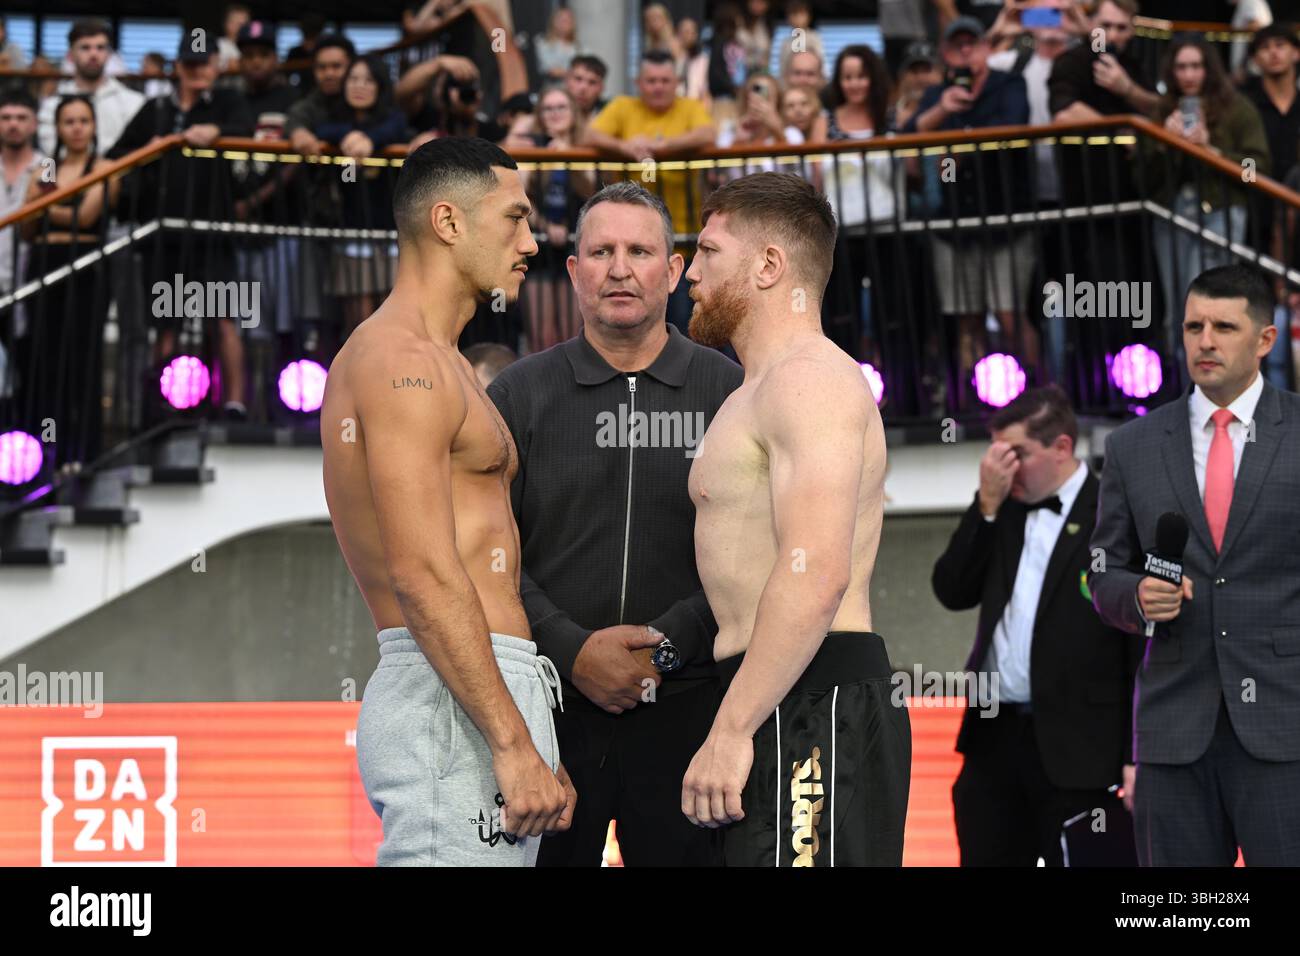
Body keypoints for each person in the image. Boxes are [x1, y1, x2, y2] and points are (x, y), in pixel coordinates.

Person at [321, 136, 574, 866]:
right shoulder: (399, 361)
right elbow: (425, 573)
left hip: (475, 693)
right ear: (448, 222)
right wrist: (511, 740)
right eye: (515, 219)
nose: (533, 241)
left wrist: (528, 730)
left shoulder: (447, 364)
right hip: (449, 699)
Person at [488, 182, 742, 866]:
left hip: (690, 716)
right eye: (600, 251)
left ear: (675, 269)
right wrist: (572, 649)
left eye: (639, 250)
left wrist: (668, 644)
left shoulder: (731, 394)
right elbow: (486, 555)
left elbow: (760, 555)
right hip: (549, 717)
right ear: (573, 271)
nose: (620, 268)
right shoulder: (517, 394)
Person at [680, 173, 911, 866]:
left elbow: (816, 573)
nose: (687, 272)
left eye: (707, 252)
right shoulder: (756, 389)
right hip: (777, 694)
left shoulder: (807, 380)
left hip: (812, 700)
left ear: (769, 265)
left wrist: (733, 727)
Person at [1089, 264, 1300, 866]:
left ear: (1265, 339)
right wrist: (1135, 598)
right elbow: (1100, 572)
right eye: (1193, 326)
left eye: (1224, 327)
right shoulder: (1132, 445)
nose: (1205, 340)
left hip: (1287, 728)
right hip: (1172, 734)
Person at [932, 385, 1142, 866]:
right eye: (997, 453)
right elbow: (951, 589)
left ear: (1062, 448)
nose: (1003, 467)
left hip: (1083, 747)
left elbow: (1136, 649)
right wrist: (984, 507)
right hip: (996, 740)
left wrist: (1136, 754)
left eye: (1017, 453)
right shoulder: (1000, 506)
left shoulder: (1114, 511)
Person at [108, 40, 255, 420]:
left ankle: (235, 404)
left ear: (217, 66)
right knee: (167, 325)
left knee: (223, 319)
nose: (197, 72)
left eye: (204, 64)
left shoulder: (227, 101)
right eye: (190, 65)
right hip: (166, 236)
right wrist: (154, 147)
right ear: (177, 66)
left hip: (215, 232)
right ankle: (159, 407)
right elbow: (115, 156)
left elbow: (247, 130)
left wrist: (215, 130)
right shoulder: (156, 109)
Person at [905, 16, 1036, 395]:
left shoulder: (1009, 84)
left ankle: (1037, 392)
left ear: (985, 48)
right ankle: (973, 400)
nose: (965, 51)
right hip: (955, 224)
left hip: (1006, 220)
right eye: (956, 45)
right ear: (945, 54)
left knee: (1010, 315)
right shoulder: (937, 96)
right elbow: (909, 138)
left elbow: (1014, 126)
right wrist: (942, 110)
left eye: (972, 44)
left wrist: (963, 148)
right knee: (967, 319)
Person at [585, 50, 716, 334]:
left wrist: (661, 147)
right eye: (651, 80)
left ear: (676, 82)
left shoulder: (689, 108)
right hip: (630, 245)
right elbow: (589, 135)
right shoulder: (623, 106)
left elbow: (708, 134)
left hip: (683, 242)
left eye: (665, 80)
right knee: (633, 326)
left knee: (684, 325)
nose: (658, 86)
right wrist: (627, 147)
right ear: (638, 82)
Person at [1146, 35, 1270, 332]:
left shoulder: (1236, 107)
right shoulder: (1162, 112)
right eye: (1181, 67)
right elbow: (1142, 180)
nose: (1189, 75)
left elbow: (1258, 168)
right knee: (1179, 308)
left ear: (1209, 69)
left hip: (1221, 210)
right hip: (1172, 212)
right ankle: (1183, 376)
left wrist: (1211, 150)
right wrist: (1165, 144)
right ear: (1171, 72)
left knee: (1211, 305)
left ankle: (1218, 376)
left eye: (1196, 66)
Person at [20, 95, 119, 466]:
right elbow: (28, 225)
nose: (77, 128)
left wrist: (48, 204)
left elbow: (88, 217)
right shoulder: (46, 166)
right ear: (58, 128)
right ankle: (50, 450)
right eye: (69, 121)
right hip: (43, 264)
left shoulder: (105, 166)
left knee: (82, 359)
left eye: (83, 121)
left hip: (85, 266)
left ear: (93, 126)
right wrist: (52, 206)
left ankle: (86, 452)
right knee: (45, 360)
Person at [316, 57, 410, 338]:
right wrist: (348, 136)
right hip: (351, 233)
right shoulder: (334, 119)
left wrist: (370, 140)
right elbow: (321, 131)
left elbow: (396, 129)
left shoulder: (392, 119)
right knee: (359, 326)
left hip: (389, 235)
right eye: (354, 79)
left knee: (391, 321)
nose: (359, 86)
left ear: (380, 87)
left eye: (368, 80)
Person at [517, 86, 594, 352]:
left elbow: (591, 191)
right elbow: (522, 196)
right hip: (539, 247)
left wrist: (565, 156)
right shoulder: (531, 147)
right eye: (548, 108)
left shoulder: (586, 147)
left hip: (575, 247)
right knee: (541, 338)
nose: (555, 114)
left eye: (561, 107)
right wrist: (546, 226)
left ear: (574, 112)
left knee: (571, 337)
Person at [36, 19, 143, 157]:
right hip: (71, 178)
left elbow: (137, 150)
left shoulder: (134, 103)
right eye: (85, 48)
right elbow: (51, 151)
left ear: (109, 54)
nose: (93, 54)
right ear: (70, 55)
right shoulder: (52, 105)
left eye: (100, 48)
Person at [0, 90, 42, 300]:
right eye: (6, 118)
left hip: (29, 274)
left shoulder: (48, 164)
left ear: (34, 124)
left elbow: (50, 203)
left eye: (21, 118)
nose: (13, 124)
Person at [286, 35, 358, 157]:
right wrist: (298, 132)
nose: (328, 74)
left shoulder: (364, 99)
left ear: (352, 67)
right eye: (322, 67)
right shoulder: (310, 103)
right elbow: (295, 118)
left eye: (336, 66)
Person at [535, 6, 580, 84]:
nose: (565, 23)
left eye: (568, 20)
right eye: (562, 20)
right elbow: (552, 70)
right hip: (554, 87)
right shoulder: (543, 44)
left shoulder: (578, 47)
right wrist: (575, 74)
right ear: (554, 22)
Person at [565, 54, 608, 125]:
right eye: (578, 79)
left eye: (592, 82)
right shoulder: (548, 110)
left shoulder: (610, 113)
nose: (583, 88)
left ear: (601, 88)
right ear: (567, 80)